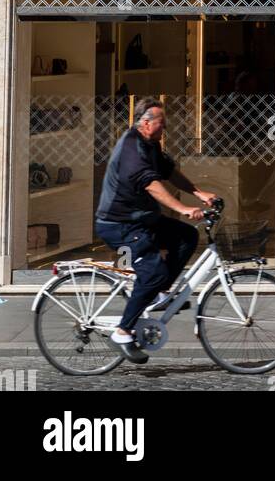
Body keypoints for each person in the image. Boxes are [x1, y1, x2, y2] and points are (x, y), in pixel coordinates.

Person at [95, 97, 216, 363]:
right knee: (152, 273)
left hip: (142, 220)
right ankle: (123, 331)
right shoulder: (131, 149)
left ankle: (160, 294)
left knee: (187, 237)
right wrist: (183, 208)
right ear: (146, 123)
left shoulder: (150, 145)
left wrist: (198, 192)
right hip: (120, 226)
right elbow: (152, 185)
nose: (165, 129)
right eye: (162, 124)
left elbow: (169, 172)